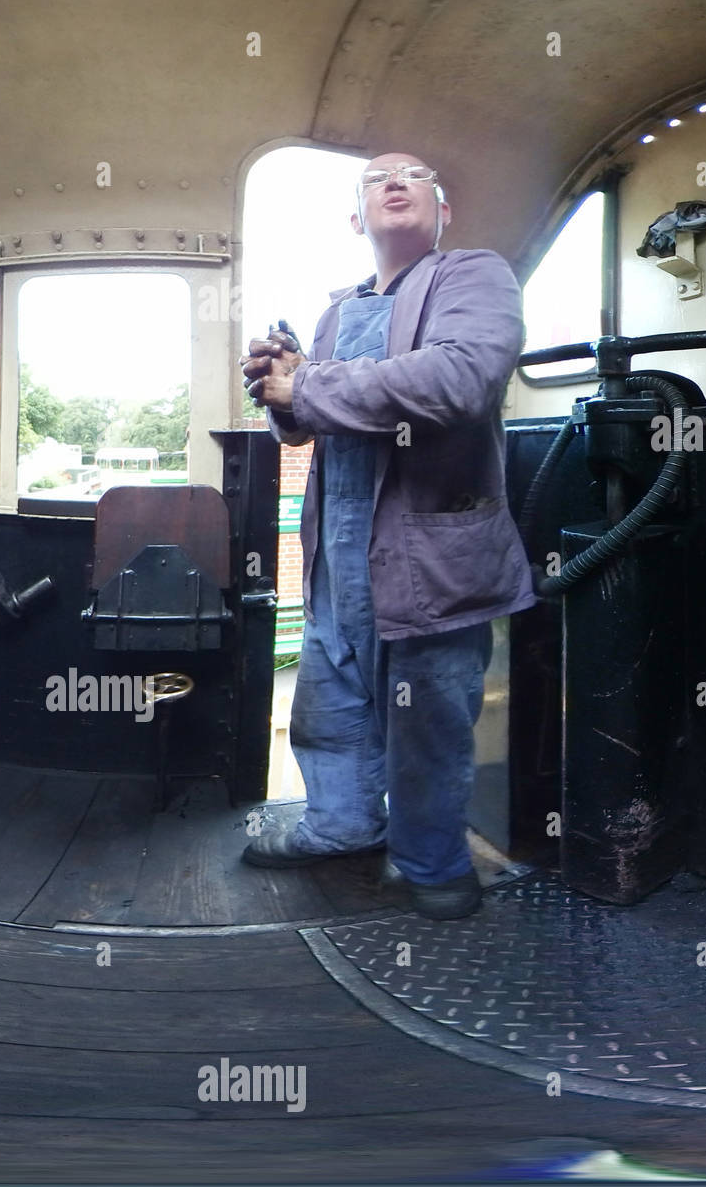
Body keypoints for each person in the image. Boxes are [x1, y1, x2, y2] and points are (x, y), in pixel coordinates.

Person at [238, 152, 534, 920]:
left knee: (429, 718)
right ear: (356, 218)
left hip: (432, 556)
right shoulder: (338, 313)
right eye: (377, 178)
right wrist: (281, 390)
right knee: (330, 700)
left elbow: (460, 380)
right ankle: (339, 825)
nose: (396, 180)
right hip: (339, 555)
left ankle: (434, 866)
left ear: (444, 211)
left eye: (417, 173)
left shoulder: (473, 276)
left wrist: (306, 382)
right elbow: (310, 428)